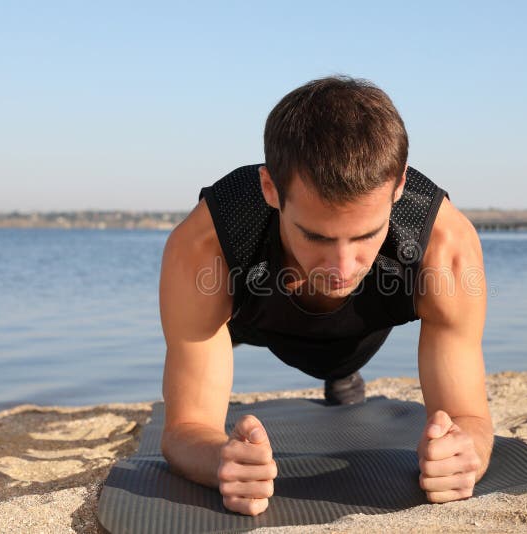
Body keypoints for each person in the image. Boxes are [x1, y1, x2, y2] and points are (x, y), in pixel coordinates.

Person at [158, 75, 493, 516]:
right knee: (215, 317)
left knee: (342, 362)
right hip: (254, 316)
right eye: (316, 236)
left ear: (398, 187)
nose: (342, 267)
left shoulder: (443, 245)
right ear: (270, 189)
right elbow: (186, 427)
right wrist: (221, 460)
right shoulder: (209, 243)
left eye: (365, 236)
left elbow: (470, 418)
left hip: (363, 329)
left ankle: (342, 377)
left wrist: (464, 453)